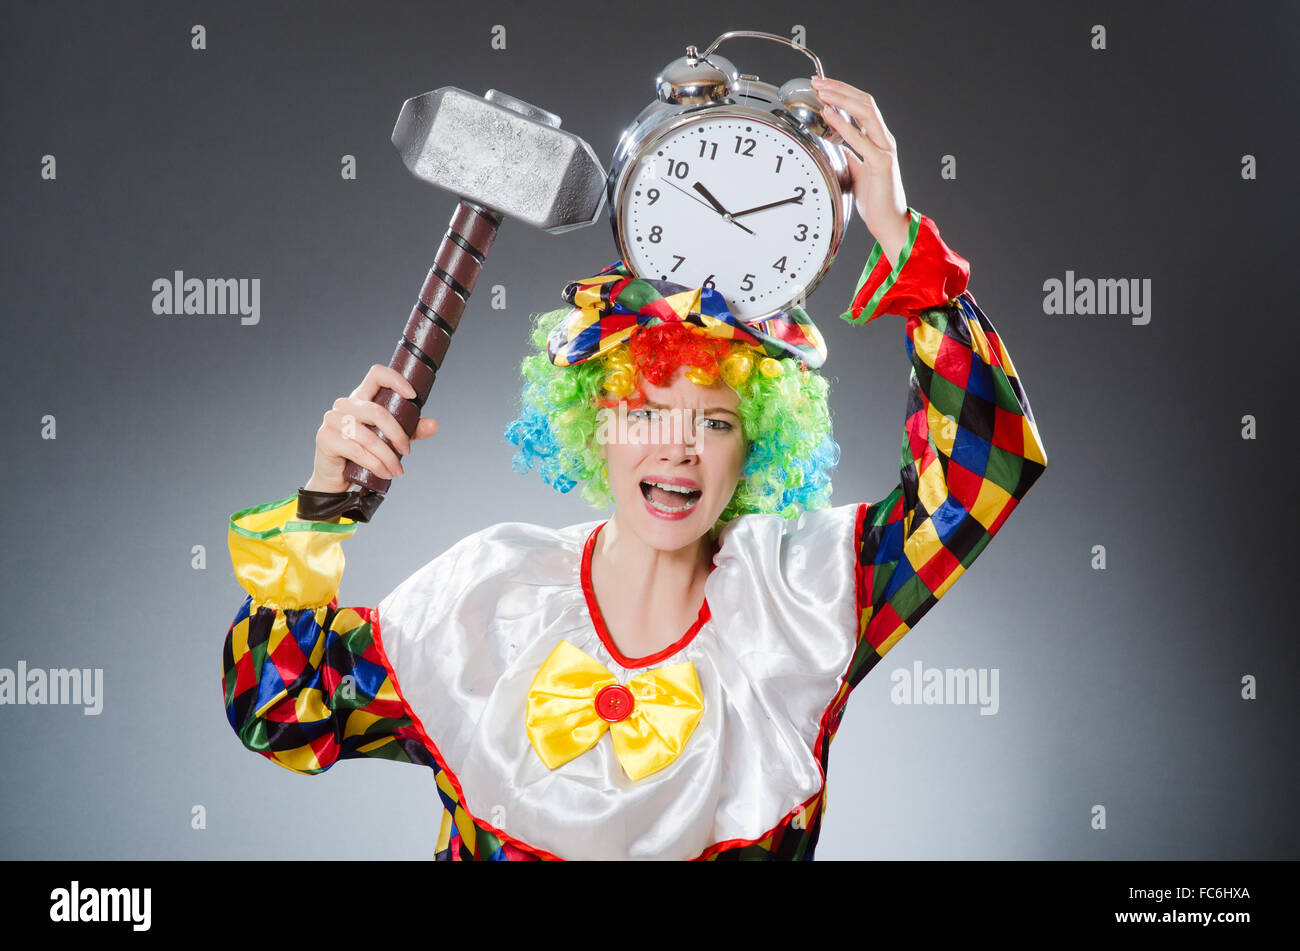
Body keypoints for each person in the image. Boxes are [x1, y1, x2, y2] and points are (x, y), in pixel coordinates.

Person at [222, 76, 1047, 860]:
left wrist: (899, 233)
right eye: (647, 410)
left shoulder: (804, 598)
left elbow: (985, 472)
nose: (678, 445)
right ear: (597, 424)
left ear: (754, 443)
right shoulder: (490, 595)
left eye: (716, 420)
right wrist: (324, 499)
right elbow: (282, 709)